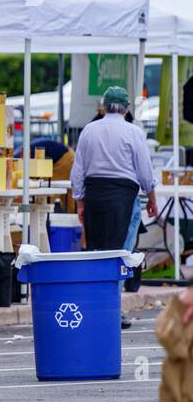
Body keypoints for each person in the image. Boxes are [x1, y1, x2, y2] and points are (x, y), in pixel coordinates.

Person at [71, 86, 156, 327]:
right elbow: (145, 172)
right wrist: (151, 198)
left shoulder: (89, 131)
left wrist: (80, 202)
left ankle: (95, 307)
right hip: (124, 196)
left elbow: (78, 171)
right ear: (127, 109)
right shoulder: (134, 132)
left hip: (95, 195)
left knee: (97, 252)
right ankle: (111, 309)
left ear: (103, 107)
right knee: (121, 254)